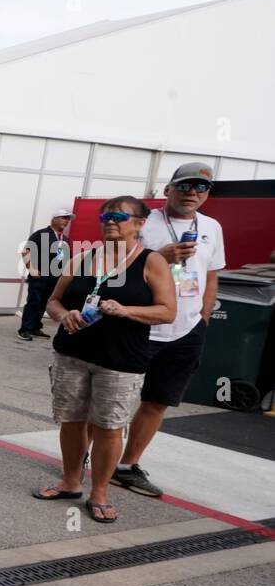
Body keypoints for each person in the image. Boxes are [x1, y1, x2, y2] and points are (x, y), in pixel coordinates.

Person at [32, 196, 176, 523]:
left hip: (120, 361)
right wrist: (62, 314)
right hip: (72, 354)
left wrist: (126, 310)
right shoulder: (83, 257)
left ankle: (99, 493)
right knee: (71, 420)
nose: (110, 221)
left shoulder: (152, 262)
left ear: (140, 224)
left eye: (119, 216)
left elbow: (168, 311)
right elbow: (53, 301)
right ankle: (70, 482)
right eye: (105, 216)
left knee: (109, 427)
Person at [113, 163, 226, 497]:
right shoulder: (144, 224)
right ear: (168, 190)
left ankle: (127, 466)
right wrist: (157, 257)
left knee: (158, 401)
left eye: (201, 187)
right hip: (139, 327)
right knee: (114, 398)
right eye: (186, 185)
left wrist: (203, 317)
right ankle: (94, 455)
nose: (193, 192)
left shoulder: (212, 227)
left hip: (186, 330)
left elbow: (212, 274)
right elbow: (113, 269)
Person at [18, 209, 72, 341]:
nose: (67, 221)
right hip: (40, 276)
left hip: (55, 277)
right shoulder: (41, 234)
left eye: (68, 219)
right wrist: (32, 269)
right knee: (34, 301)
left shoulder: (64, 239)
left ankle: (35, 327)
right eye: (64, 218)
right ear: (54, 219)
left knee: (44, 303)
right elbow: (26, 251)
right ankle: (25, 329)